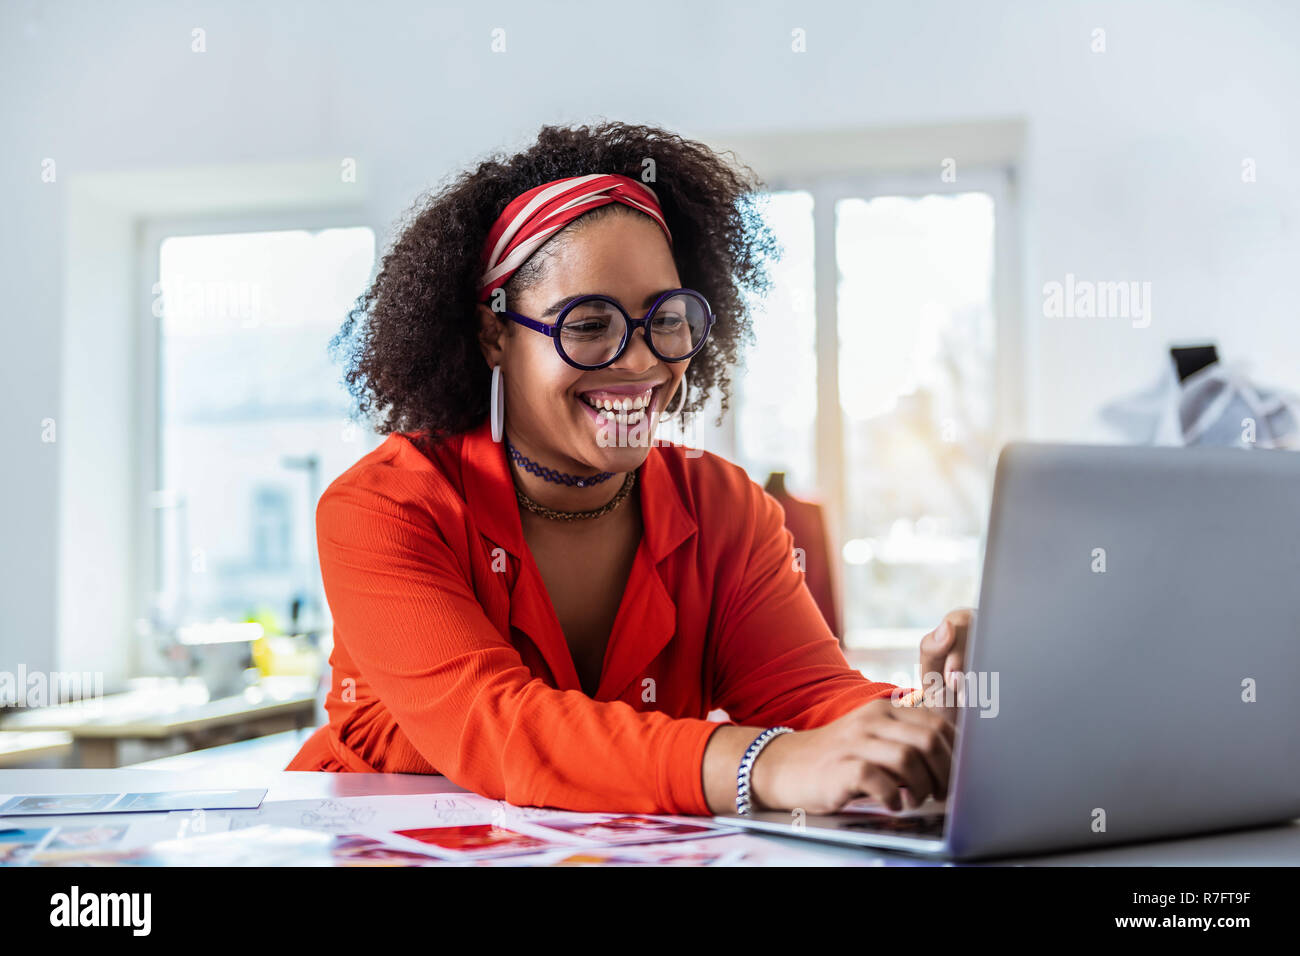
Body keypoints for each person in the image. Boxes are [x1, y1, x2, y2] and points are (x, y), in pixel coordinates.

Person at [287, 120, 973, 816]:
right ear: (494, 334)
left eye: (666, 318)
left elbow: (814, 700)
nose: (642, 360)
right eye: (588, 325)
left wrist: (932, 722)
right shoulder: (385, 508)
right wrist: (765, 764)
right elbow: (500, 728)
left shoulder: (722, 508)